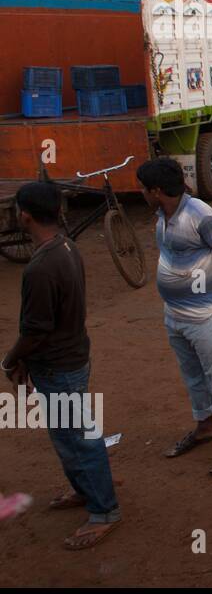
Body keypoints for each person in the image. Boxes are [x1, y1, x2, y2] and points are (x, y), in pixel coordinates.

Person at [2, 181, 121, 549]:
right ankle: (84, 492)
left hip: (60, 366)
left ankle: (104, 511)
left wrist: (11, 360)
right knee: (68, 437)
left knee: (80, 440)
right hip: (67, 359)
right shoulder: (67, 247)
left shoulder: (40, 267)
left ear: (24, 214)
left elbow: (36, 329)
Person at [136, 157, 212, 476]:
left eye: (143, 189)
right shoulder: (163, 215)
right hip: (175, 313)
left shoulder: (200, 214)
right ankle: (204, 425)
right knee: (193, 375)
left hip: (206, 315)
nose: (142, 195)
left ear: (156, 190)